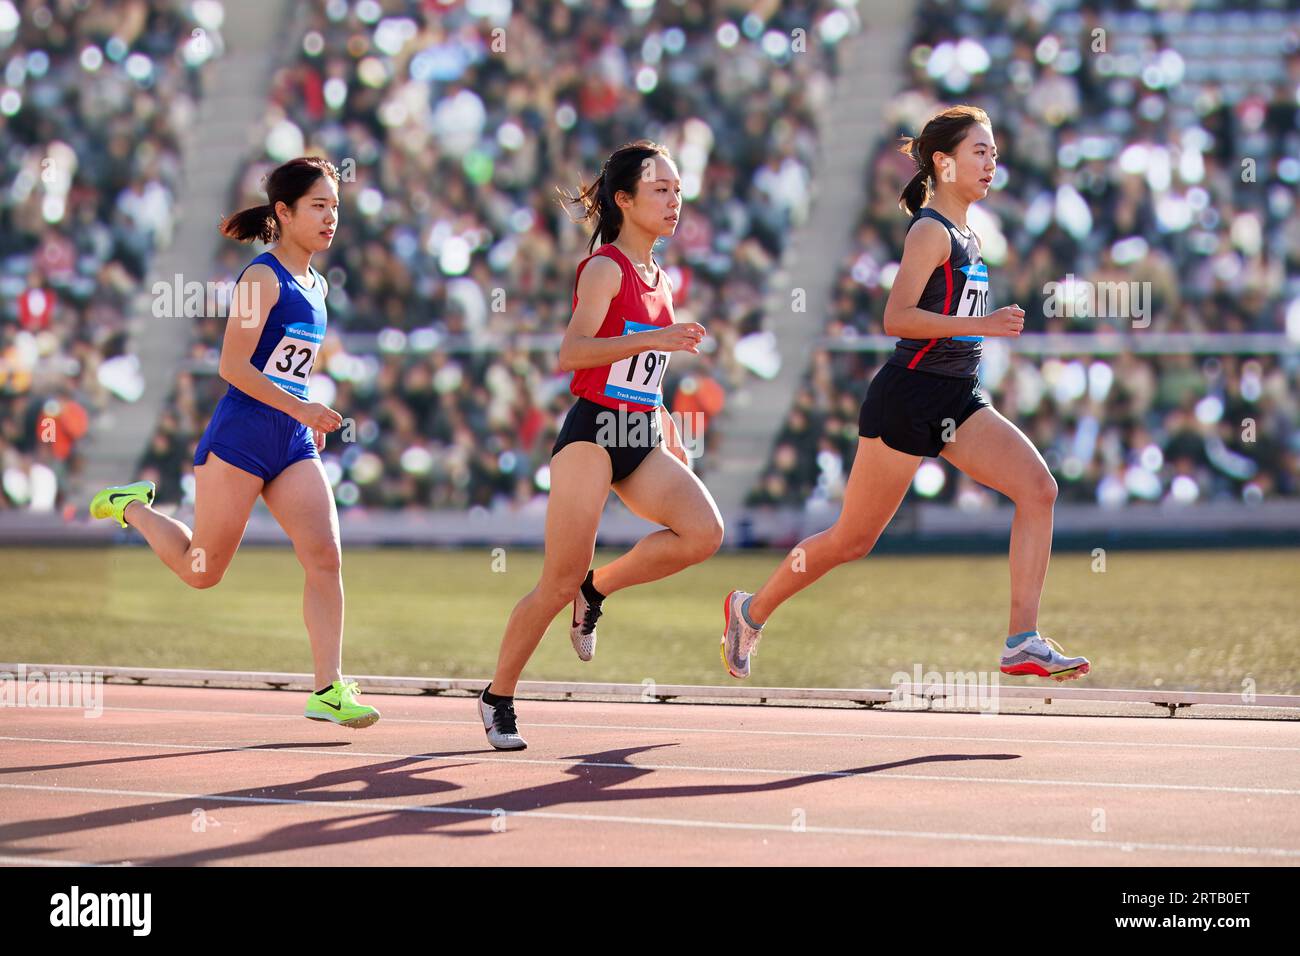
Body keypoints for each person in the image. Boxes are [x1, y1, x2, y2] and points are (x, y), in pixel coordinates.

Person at [720, 106, 1091, 684]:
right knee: (851, 539)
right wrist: (984, 325)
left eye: (994, 152)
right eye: (980, 152)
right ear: (943, 163)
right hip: (908, 397)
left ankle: (1022, 639)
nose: (992, 163)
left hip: (960, 397)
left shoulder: (969, 232)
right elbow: (897, 317)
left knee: (1039, 488)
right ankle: (750, 610)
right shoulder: (930, 230)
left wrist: (978, 330)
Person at [89, 157, 380, 728]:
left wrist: (301, 410)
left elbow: (288, 365)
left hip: (292, 440)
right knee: (202, 569)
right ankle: (135, 509)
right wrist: (302, 405)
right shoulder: (260, 277)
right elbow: (232, 365)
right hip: (244, 434)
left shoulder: (318, 284)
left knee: (324, 555)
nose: (330, 218)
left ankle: (327, 689)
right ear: (284, 212)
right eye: (319, 206)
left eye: (336, 207)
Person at [477, 141, 724, 750]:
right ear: (624, 199)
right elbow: (573, 353)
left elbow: (646, 373)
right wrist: (658, 337)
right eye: (660, 190)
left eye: (677, 189)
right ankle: (498, 695)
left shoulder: (662, 278)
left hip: (640, 432)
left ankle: (599, 589)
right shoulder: (605, 267)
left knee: (704, 533)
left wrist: (667, 425)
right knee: (556, 579)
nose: (674, 201)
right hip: (592, 432)